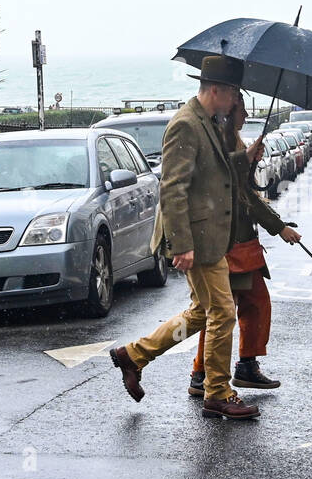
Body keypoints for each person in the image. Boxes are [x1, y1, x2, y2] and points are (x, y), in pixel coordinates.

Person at [110, 56, 267, 420]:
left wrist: (245, 157)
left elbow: (216, 171)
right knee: (223, 312)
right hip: (197, 239)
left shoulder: (207, 121)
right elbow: (173, 188)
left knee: (201, 312)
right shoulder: (185, 125)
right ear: (217, 90)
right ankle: (217, 391)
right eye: (233, 93)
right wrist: (181, 245)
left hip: (210, 237)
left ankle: (133, 355)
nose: (235, 100)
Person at [189, 94, 301, 396]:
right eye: (242, 108)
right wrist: (279, 228)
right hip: (228, 244)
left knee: (251, 304)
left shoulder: (234, 141)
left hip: (242, 243)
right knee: (217, 312)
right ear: (229, 111)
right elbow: (234, 191)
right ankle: (202, 373)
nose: (247, 113)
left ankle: (241, 367)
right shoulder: (221, 143)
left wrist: (250, 161)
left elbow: (246, 192)